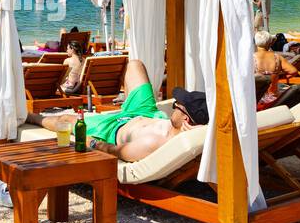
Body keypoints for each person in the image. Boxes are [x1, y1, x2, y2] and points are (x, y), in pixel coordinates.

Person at [29, 59, 205, 162]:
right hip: (146, 112)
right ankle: (126, 104)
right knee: (135, 65)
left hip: (113, 128)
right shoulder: (193, 127)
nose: (174, 104)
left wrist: (92, 143)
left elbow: (115, 151)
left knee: (67, 119)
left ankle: (31, 118)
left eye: (176, 106)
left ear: (186, 120)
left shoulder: (151, 143)